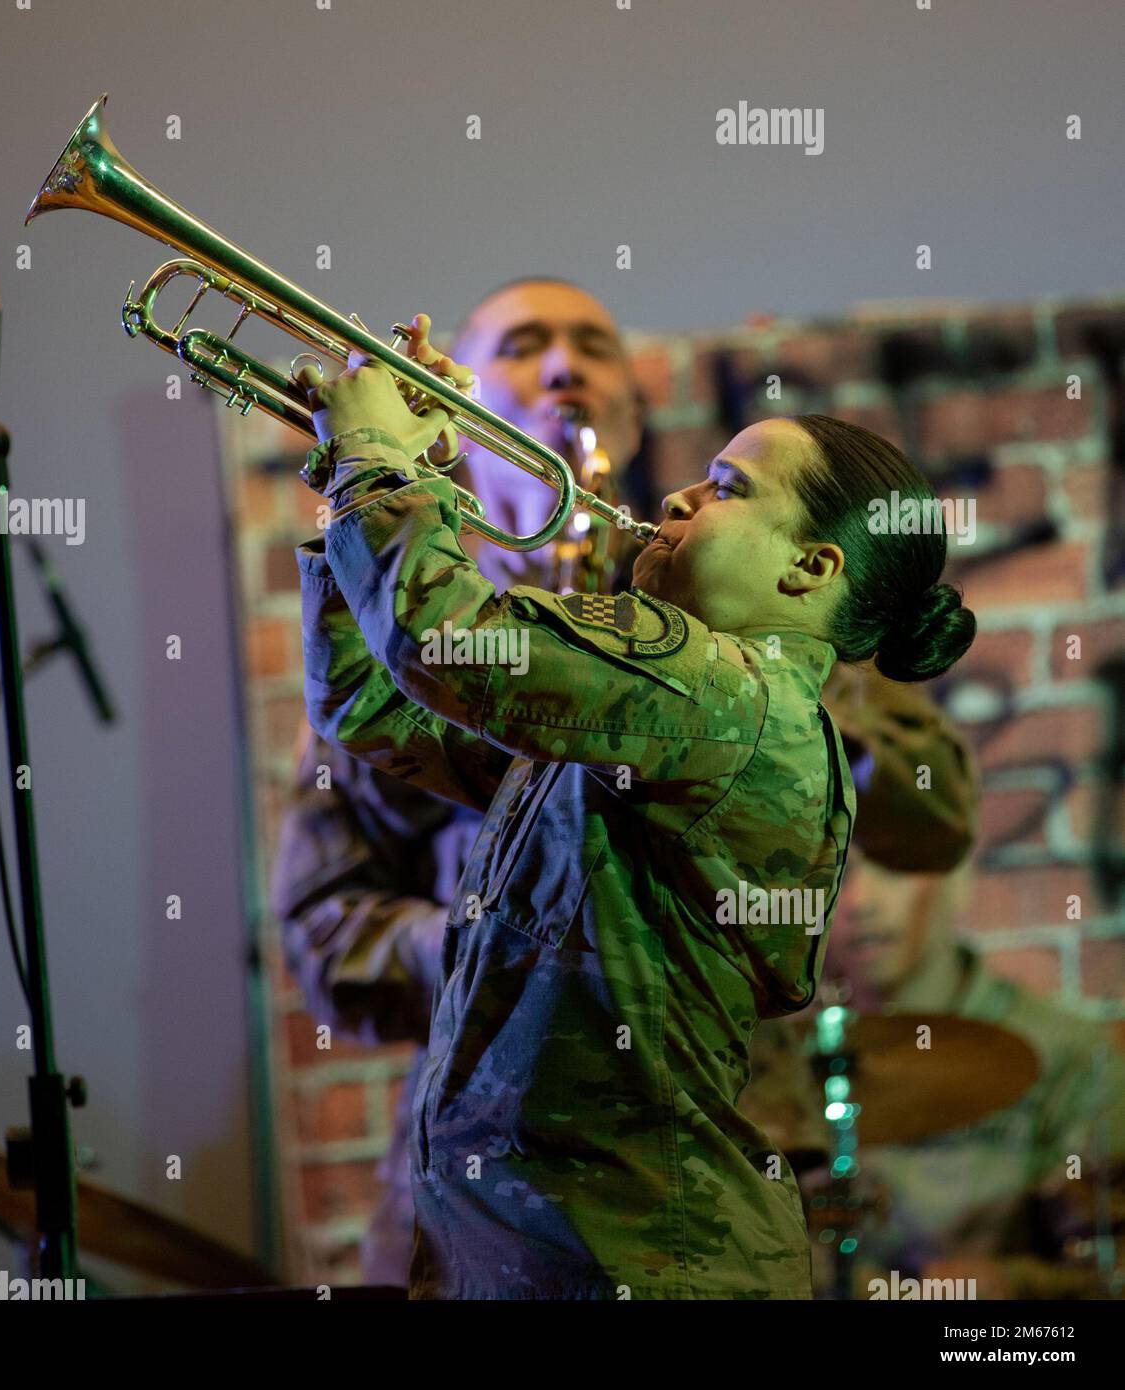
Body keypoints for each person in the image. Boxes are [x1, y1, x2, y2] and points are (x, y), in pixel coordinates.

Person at [290, 318, 977, 1298]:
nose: (678, 496)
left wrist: (376, 459)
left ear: (809, 570)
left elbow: (444, 643)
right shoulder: (662, 708)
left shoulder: (727, 693)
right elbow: (374, 708)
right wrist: (396, 478)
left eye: (728, 490)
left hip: (637, 1266)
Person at [273, 280, 647, 1283]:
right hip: (470, 1155)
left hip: (677, 1163)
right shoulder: (392, 633)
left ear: (636, 411)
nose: (565, 366)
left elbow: (929, 821)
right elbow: (319, 932)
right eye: (525, 345)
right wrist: (486, 943)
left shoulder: (707, 613)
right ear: (460, 419)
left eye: (591, 345)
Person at [817, 851, 1125, 1299]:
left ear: (955, 881)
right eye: (838, 875)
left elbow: (1110, 1266)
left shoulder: (1068, 1057)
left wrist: (1012, 1285)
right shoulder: (776, 1065)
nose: (860, 901)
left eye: (894, 868)